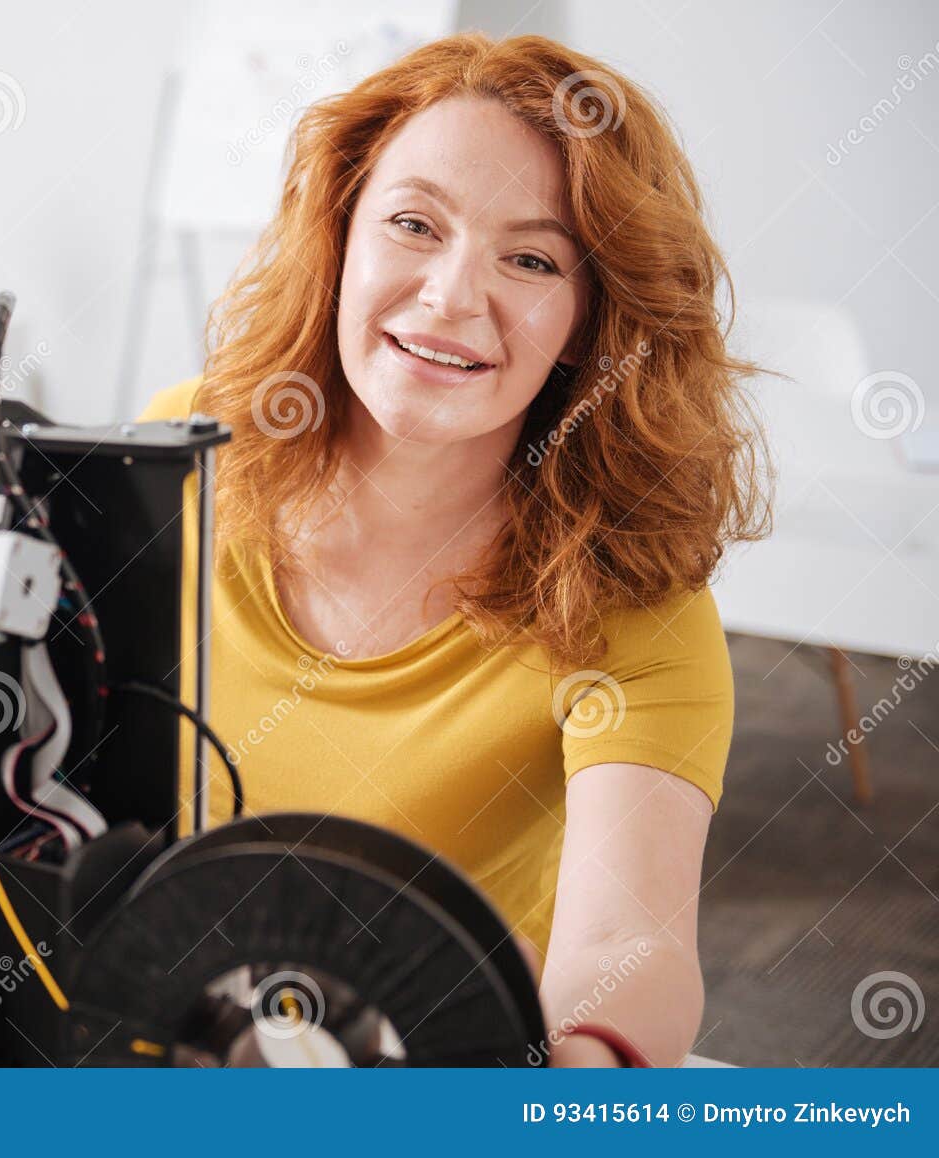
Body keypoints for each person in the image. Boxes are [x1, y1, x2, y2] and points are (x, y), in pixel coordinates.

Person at [138, 32, 770, 1067]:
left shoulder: (632, 592)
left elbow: (629, 947)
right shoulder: (183, 450)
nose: (449, 295)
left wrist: (570, 1067)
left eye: (528, 258)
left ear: (585, 321)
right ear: (341, 236)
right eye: (411, 225)